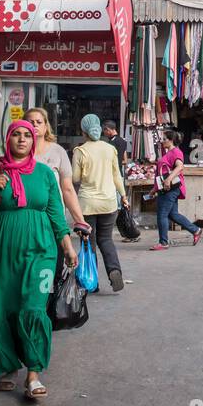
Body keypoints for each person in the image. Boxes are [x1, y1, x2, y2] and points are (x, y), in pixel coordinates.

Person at [0, 119, 78, 401]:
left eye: (27, 135)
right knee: (3, 309)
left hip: (42, 252)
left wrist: (68, 246)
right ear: (8, 139)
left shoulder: (45, 174)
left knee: (34, 308)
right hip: (1, 254)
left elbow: (56, 214)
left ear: (33, 141)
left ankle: (34, 373)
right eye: (16, 135)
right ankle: (8, 367)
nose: (22, 139)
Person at [72, 113, 128, 291]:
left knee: (89, 242)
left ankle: (92, 282)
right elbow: (117, 175)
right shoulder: (110, 148)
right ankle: (114, 270)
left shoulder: (80, 151)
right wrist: (124, 196)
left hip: (88, 205)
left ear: (83, 131)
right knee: (106, 239)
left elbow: (75, 177)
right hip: (109, 202)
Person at [23, 107, 86, 228]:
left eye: (39, 122)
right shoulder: (17, 153)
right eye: (30, 122)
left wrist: (80, 221)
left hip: (52, 217)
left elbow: (67, 189)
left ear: (46, 127)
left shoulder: (57, 151)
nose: (35, 125)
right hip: (25, 218)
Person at [152, 129, 203, 250]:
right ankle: (196, 230)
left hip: (170, 189)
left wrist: (169, 179)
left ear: (170, 141)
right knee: (173, 214)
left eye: (164, 139)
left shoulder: (175, 152)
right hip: (166, 188)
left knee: (162, 215)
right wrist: (154, 189)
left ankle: (163, 242)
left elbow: (180, 166)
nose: (162, 141)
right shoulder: (168, 153)